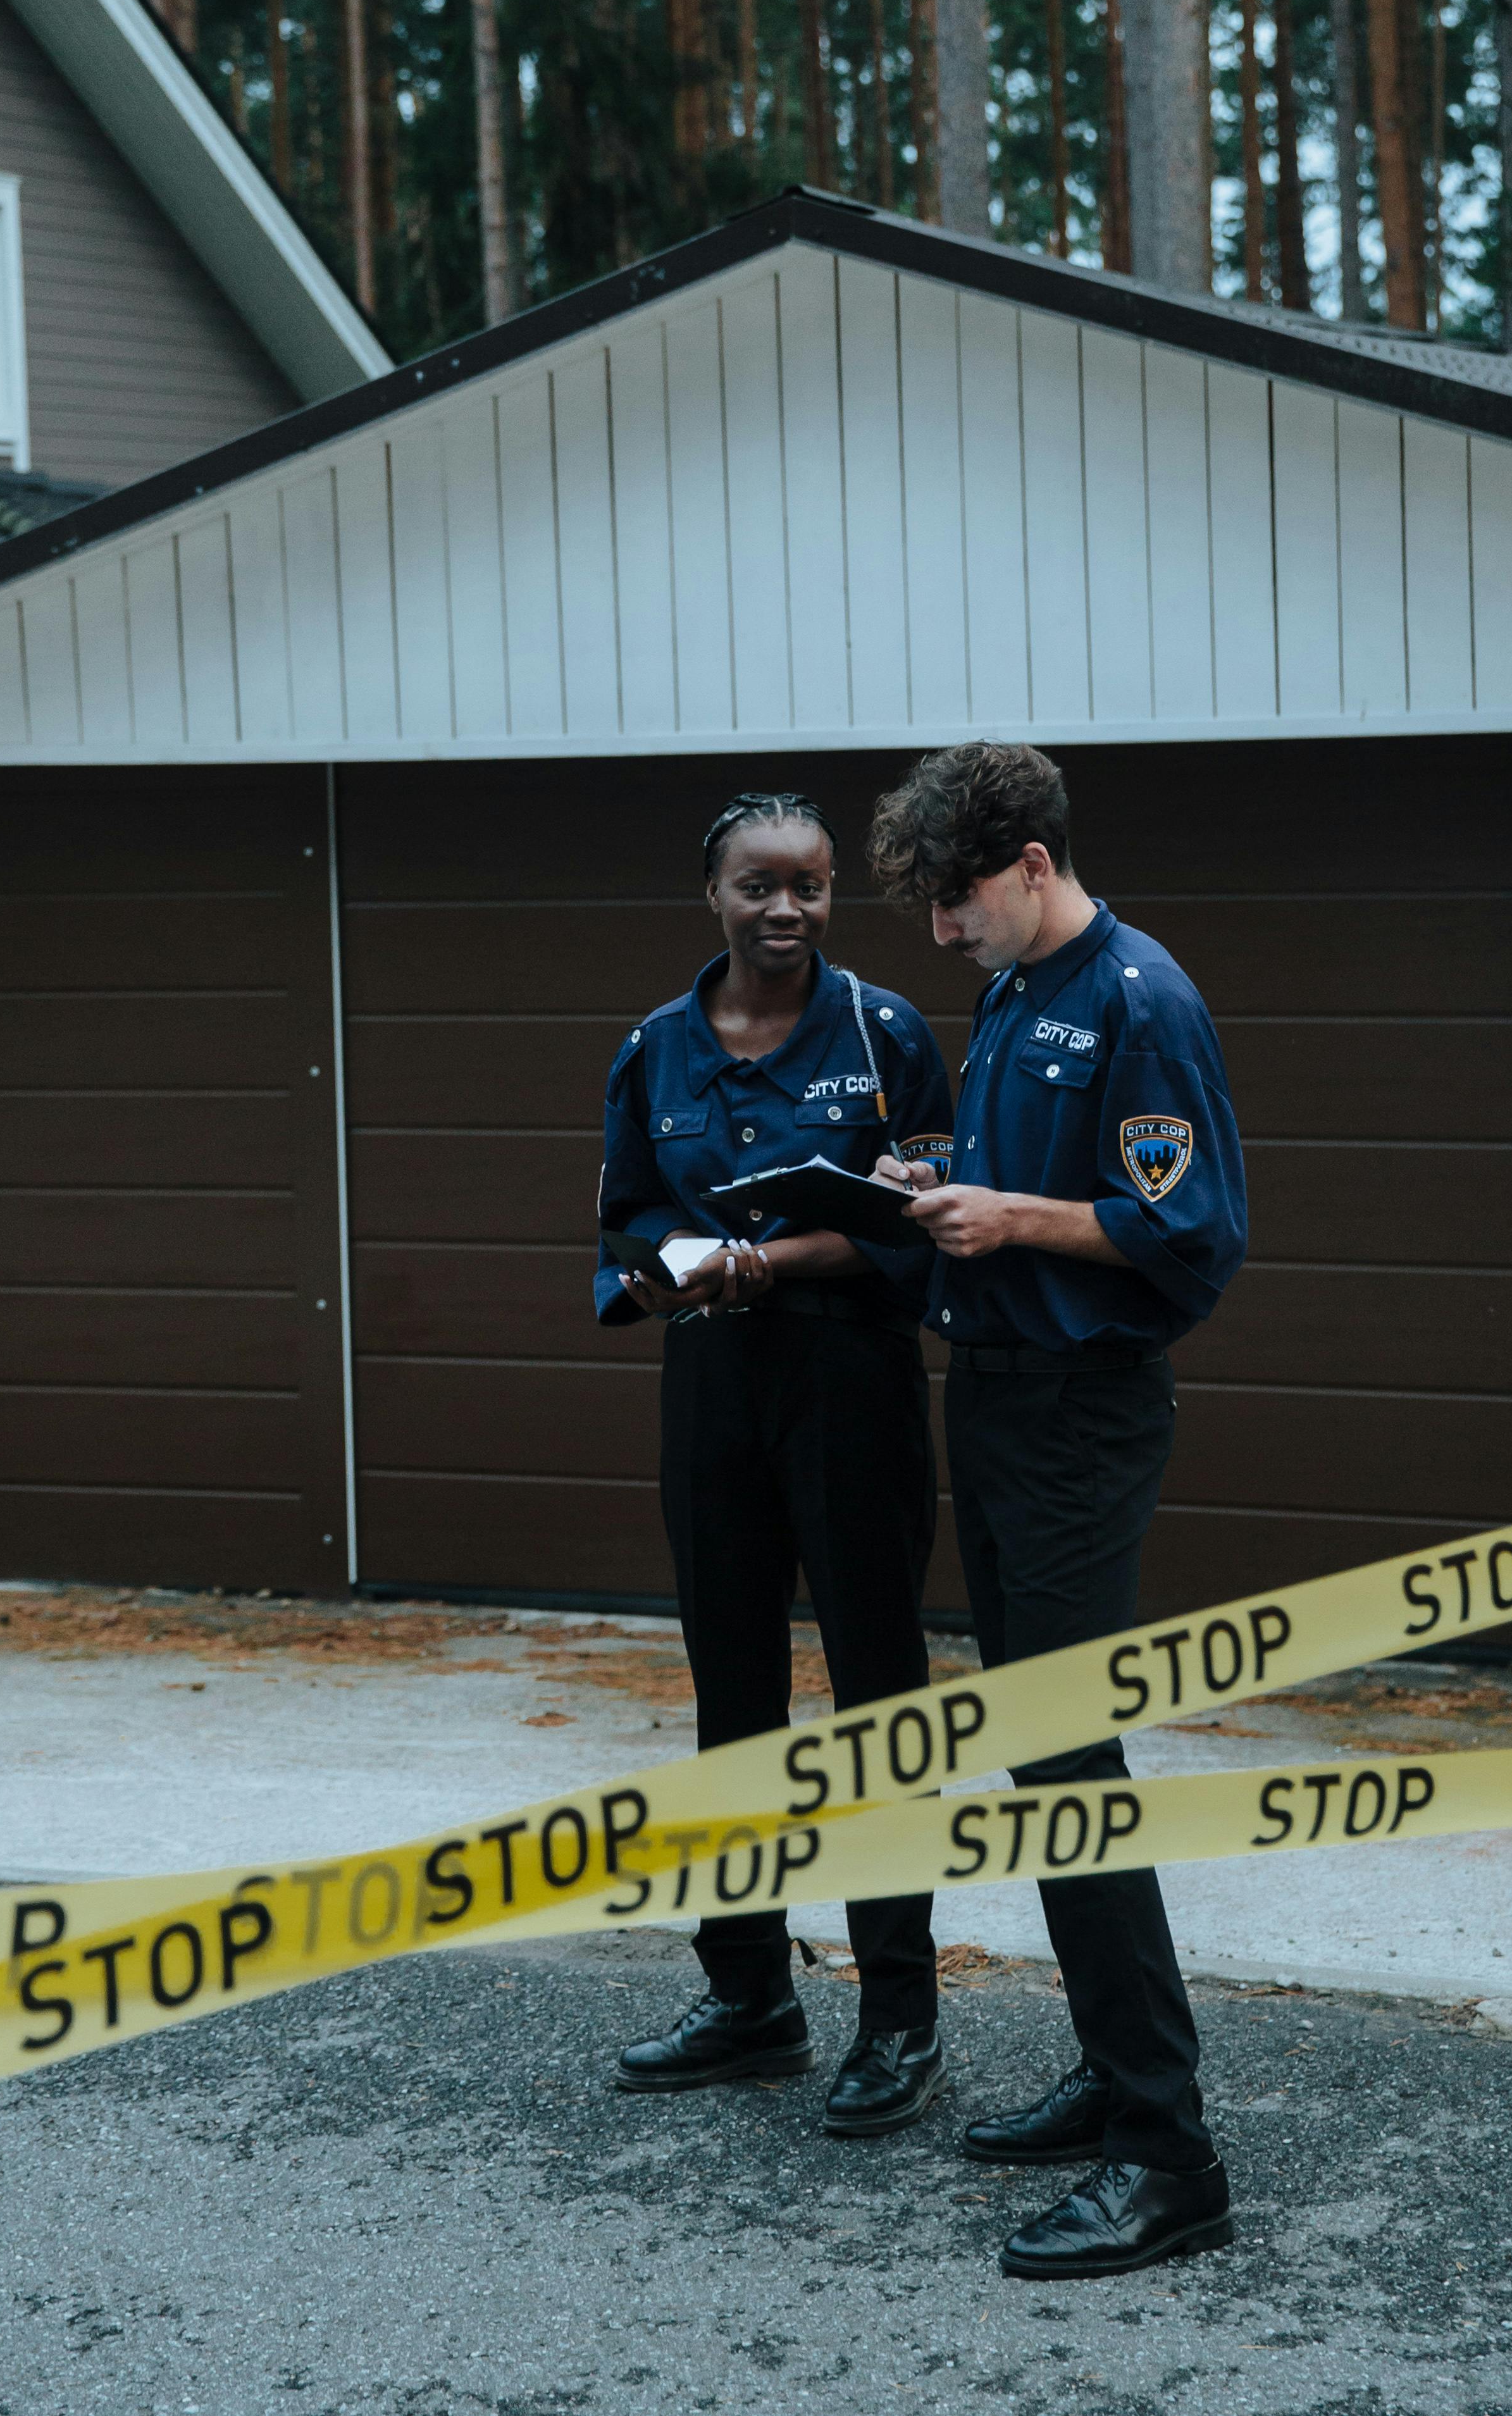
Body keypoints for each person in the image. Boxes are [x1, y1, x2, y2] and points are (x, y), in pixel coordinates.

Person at [865, 741, 1247, 2281]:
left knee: (1074, 1759)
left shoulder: (1139, 998)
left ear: (1029, 864)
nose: (940, 932)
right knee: (1039, 1751)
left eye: (956, 901)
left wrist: (1009, 1215)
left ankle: (1170, 2157)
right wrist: (936, 1178)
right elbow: (1033, 1177)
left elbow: (1192, 1235)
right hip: (1000, 1398)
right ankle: (1109, 2072)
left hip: (1083, 1416)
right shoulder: (1018, 988)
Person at [595, 791, 956, 2136]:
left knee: (876, 1696)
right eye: (759, 884)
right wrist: (663, 1274)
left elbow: (920, 1222)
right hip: (712, 1383)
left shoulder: (885, 1034)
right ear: (713, 891)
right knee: (731, 1691)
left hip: (850, 1383)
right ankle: (747, 1994)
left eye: (808, 884)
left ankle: (898, 2015)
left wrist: (773, 1258)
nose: (786, 909)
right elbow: (627, 1214)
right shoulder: (650, 1050)